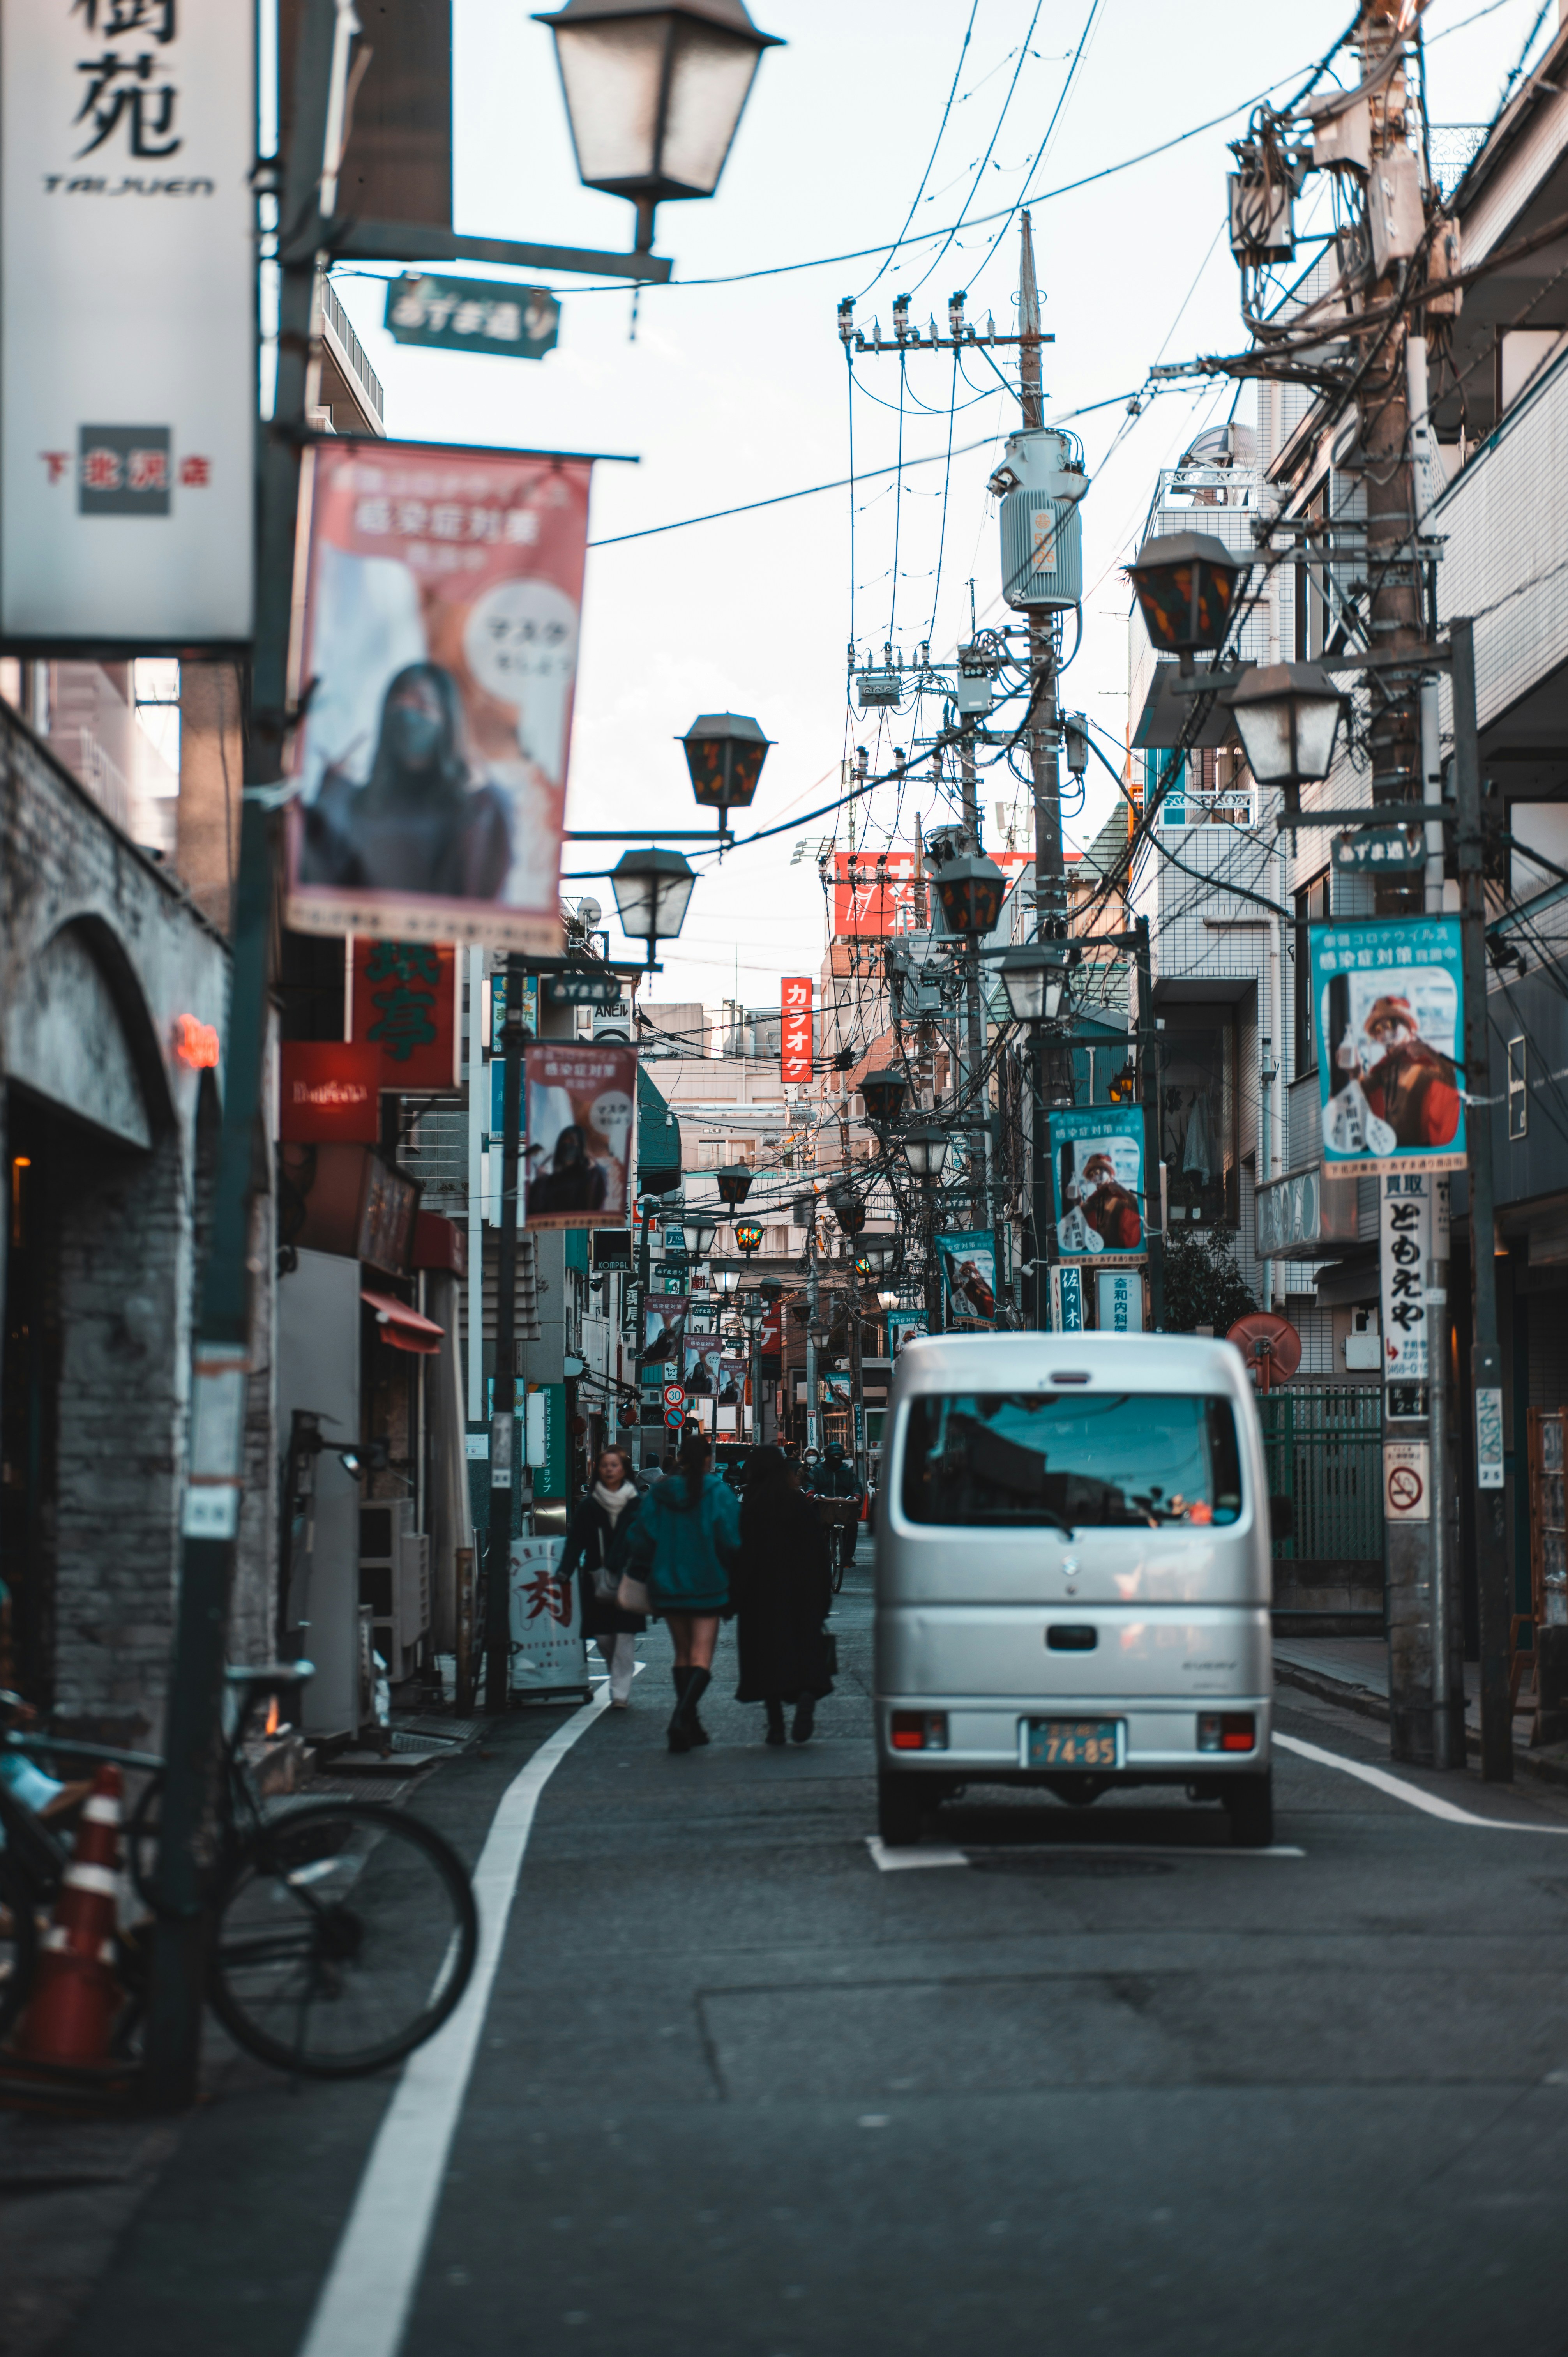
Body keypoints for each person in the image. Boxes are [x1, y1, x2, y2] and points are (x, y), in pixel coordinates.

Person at [298, 661, 513, 899]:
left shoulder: (480, 805)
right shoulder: (360, 801)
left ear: (448, 721)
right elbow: (322, 879)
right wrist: (333, 792)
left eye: (422, 705)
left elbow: (478, 896)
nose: (406, 713)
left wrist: (478, 805)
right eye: (398, 702)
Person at [625, 1432, 741, 1753]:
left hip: (667, 1582)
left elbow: (640, 1536)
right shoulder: (717, 1491)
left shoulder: (660, 1493)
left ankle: (690, 1722)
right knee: (701, 1656)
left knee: (682, 1655)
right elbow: (733, 1539)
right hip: (708, 1583)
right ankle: (681, 1716)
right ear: (707, 1460)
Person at [731, 1447, 834, 1746]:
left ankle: (776, 1725)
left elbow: (744, 1556)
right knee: (802, 1650)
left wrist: (736, 1594)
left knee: (766, 1659)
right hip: (802, 1592)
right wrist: (822, 1595)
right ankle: (805, 1695)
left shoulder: (751, 1506)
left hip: (761, 1597)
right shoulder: (797, 1504)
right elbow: (817, 1552)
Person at [560, 1447, 645, 1707]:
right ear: (598, 1470)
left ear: (624, 1471)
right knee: (604, 1636)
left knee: (625, 1636)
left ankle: (620, 1694)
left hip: (630, 1578)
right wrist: (565, 1570)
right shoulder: (590, 1505)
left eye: (615, 1465)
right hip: (597, 1576)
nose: (610, 1469)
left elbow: (649, 1539)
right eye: (605, 1465)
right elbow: (576, 1542)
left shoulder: (636, 1504)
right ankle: (616, 1671)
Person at [1353, 994, 1462, 1148]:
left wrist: (1427, 1051)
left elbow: (1453, 1079)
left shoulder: (1423, 1063)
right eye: (1378, 1029)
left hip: (1422, 1148)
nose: (1385, 1033)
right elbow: (1362, 1094)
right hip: (1393, 1149)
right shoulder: (1384, 1068)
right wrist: (1355, 1074)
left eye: (1391, 1025)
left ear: (1409, 1028)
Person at [528, 1124, 608, 1217]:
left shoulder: (593, 1176)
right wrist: (541, 1182)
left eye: (572, 1141)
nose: (566, 1145)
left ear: (581, 1146)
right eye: (563, 1142)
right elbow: (536, 1210)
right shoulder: (550, 1181)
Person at [813, 1438, 865, 1569]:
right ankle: (818, 1556)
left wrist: (857, 1496)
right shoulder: (818, 1471)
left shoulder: (847, 1472)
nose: (836, 1460)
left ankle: (847, 1556)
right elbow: (810, 1484)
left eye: (839, 1457)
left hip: (843, 1508)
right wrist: (811, 1494)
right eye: (833, 1457)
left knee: (852, 1526)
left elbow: (856, 1486)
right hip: (824, 1507)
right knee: (817, 1528)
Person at [1081, 1153, 1143, 1251]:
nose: (1096, 1177)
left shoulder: (1120, 1197)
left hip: (1118, 1253)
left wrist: (1120, 1189)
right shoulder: (1093, 1199)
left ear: (1109, 1174)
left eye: (1099, 1172)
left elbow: (1138, 1208)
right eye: (1092, 1174)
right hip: (1097, 1253)